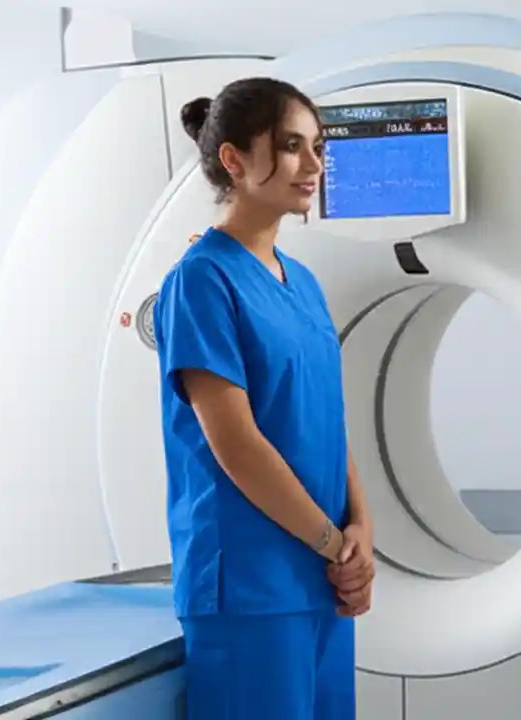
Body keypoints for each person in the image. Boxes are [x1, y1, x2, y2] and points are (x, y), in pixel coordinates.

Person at [152, 77, 375, 719]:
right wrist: (336, 548)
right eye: (291, 146)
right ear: (234, 159)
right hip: (250, 584)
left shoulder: (301, 283)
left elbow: (325, 423)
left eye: (317, 147)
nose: (314, 165)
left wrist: (362, 530)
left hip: (320, 578)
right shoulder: (201, 281)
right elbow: (237, 445)